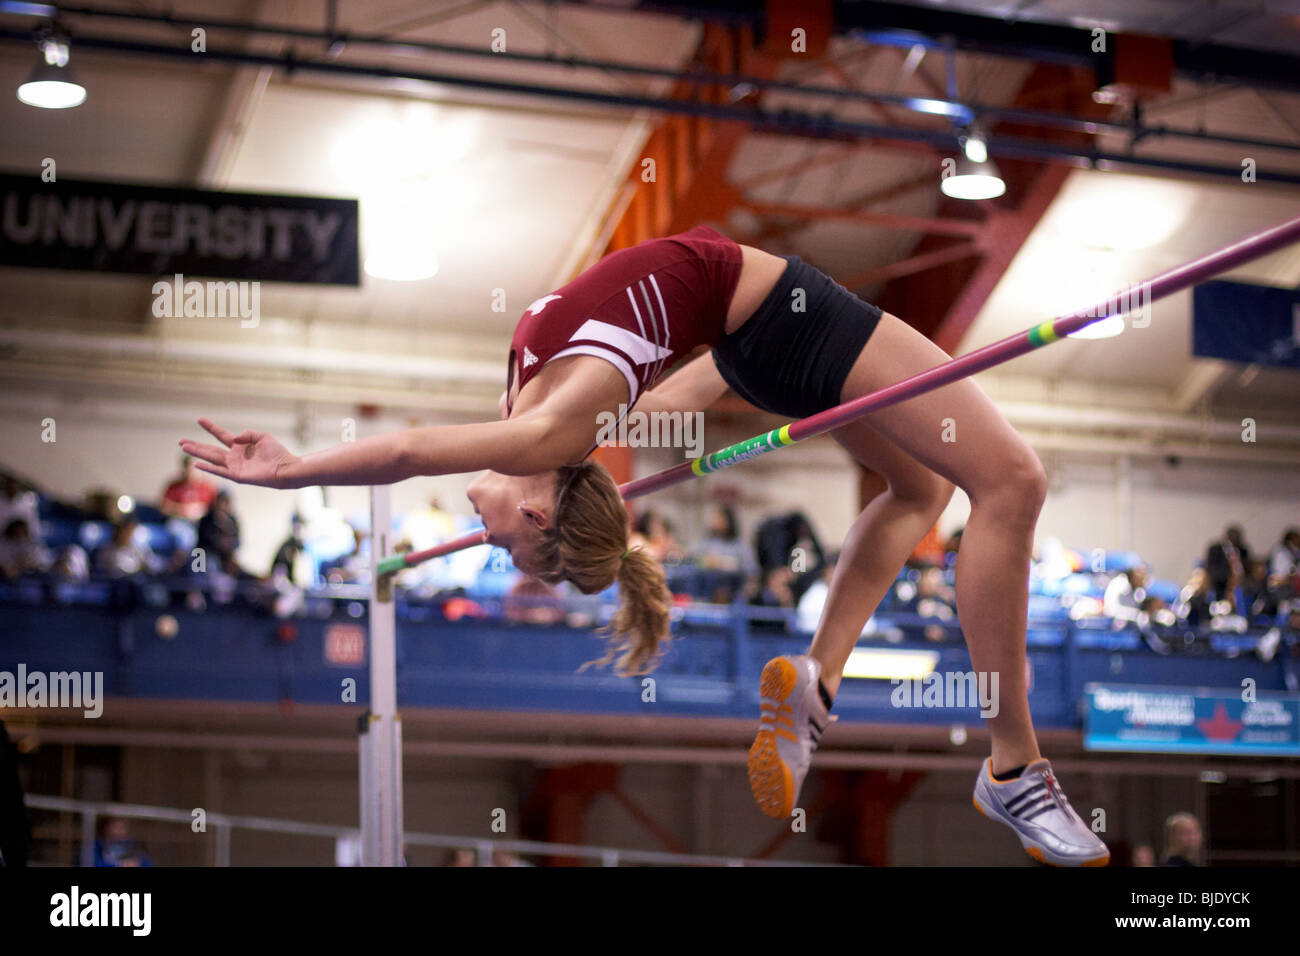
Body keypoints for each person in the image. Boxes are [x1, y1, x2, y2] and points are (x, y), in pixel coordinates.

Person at [180, 224, 1108, 864]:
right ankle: (1015, 767)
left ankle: (818, 686)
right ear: (542, 514)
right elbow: (411, 449)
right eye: (516, 554)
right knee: (1013, 481)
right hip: (783, 316)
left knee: (924, 488)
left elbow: (636, 347)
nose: (495, 546)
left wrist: (695, 381)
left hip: (745, 340)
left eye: (510, 556)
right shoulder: (542, 436)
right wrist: (293, 474)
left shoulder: (534, 414)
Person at [159, 455, 218, 521]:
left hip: (203, 523)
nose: (191, 472)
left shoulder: (207, 487)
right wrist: (183, 509)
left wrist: (200, 509)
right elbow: (164, 507)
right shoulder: (174, 486)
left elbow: (215, 509)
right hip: (179, 521)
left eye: (194, 469)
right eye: (188, 469)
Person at [1205, 525, 1250, 601]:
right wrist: (1230, 578)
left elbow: (1247, 567)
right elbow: (1212, 569)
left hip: (1242, 583)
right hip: (1222, 582)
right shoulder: (1215, 549)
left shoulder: (1243, 551)